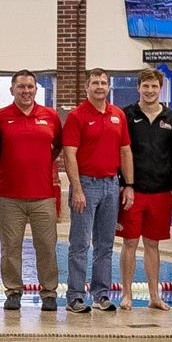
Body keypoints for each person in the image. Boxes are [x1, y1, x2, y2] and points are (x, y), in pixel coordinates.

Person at [61, 69, 134, 313]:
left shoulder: (118, 115)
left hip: (111, 184)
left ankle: (101, 294)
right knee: (80, 243)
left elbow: (125, 151)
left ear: (109, 87)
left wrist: (129, 185)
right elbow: (69, 154)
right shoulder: (76, 116)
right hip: (86, 184)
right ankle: (75, 296)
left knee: (105, 244)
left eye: (104, 82)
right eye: (95, 82)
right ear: (87, 87)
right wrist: (78, 189)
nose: (100, 86)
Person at [0, 70, 62, 312]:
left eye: (30, 87)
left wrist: (40, 164)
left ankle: (49, 292)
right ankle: (13, 291)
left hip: (43, 194)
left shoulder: (51, 116)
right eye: (21, 87)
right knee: (10, 247)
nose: (26, 91)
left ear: (36, 89)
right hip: (9, 195)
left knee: (46, 245)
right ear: (12, 89)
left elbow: (57, 147)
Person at [118, 69, 172, 311]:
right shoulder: (127, 115)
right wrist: (125, 185)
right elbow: (121, 152)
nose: (150, 91)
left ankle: (154, 295)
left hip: (161, 192)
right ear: (138, 88)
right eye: (146, 86)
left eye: (154, 86)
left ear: (160, 88)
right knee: (130, 243)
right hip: (133, 191)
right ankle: (126, 294)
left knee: (153, 244)